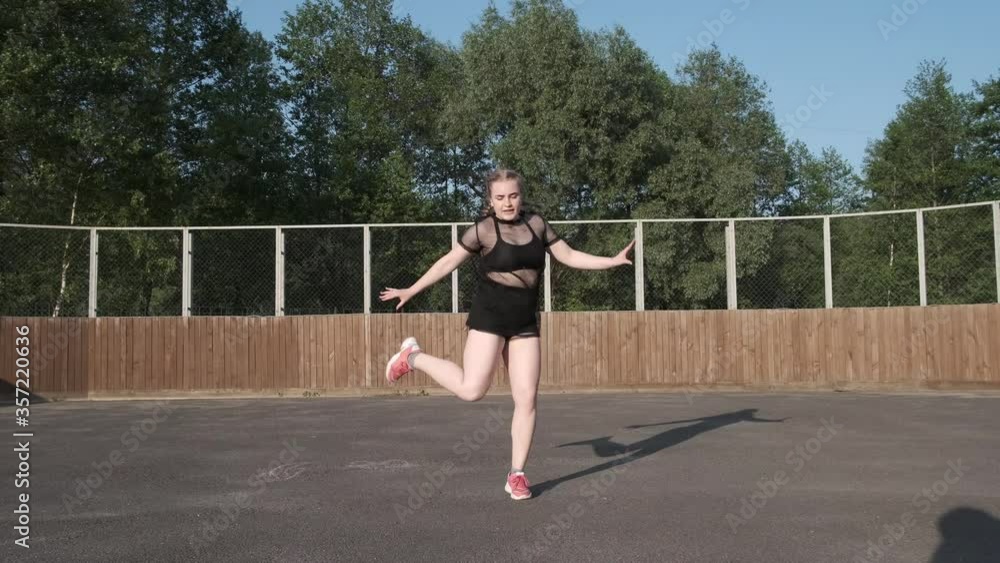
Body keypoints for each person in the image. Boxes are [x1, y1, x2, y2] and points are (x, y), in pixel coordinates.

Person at [379, 169, 635, 500]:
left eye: (512, 196)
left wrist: (611, 261)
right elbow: (447, 262)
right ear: (490, 200)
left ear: (520, 195)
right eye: (500, 197)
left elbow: (568, 256)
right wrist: (411, 289)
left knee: (527, 398)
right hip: (489, 317)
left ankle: (517, 474)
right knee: (472, 390)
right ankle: (412, 356)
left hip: (524, 321)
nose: (507, 202)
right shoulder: (483, 230)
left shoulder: (537, 224)